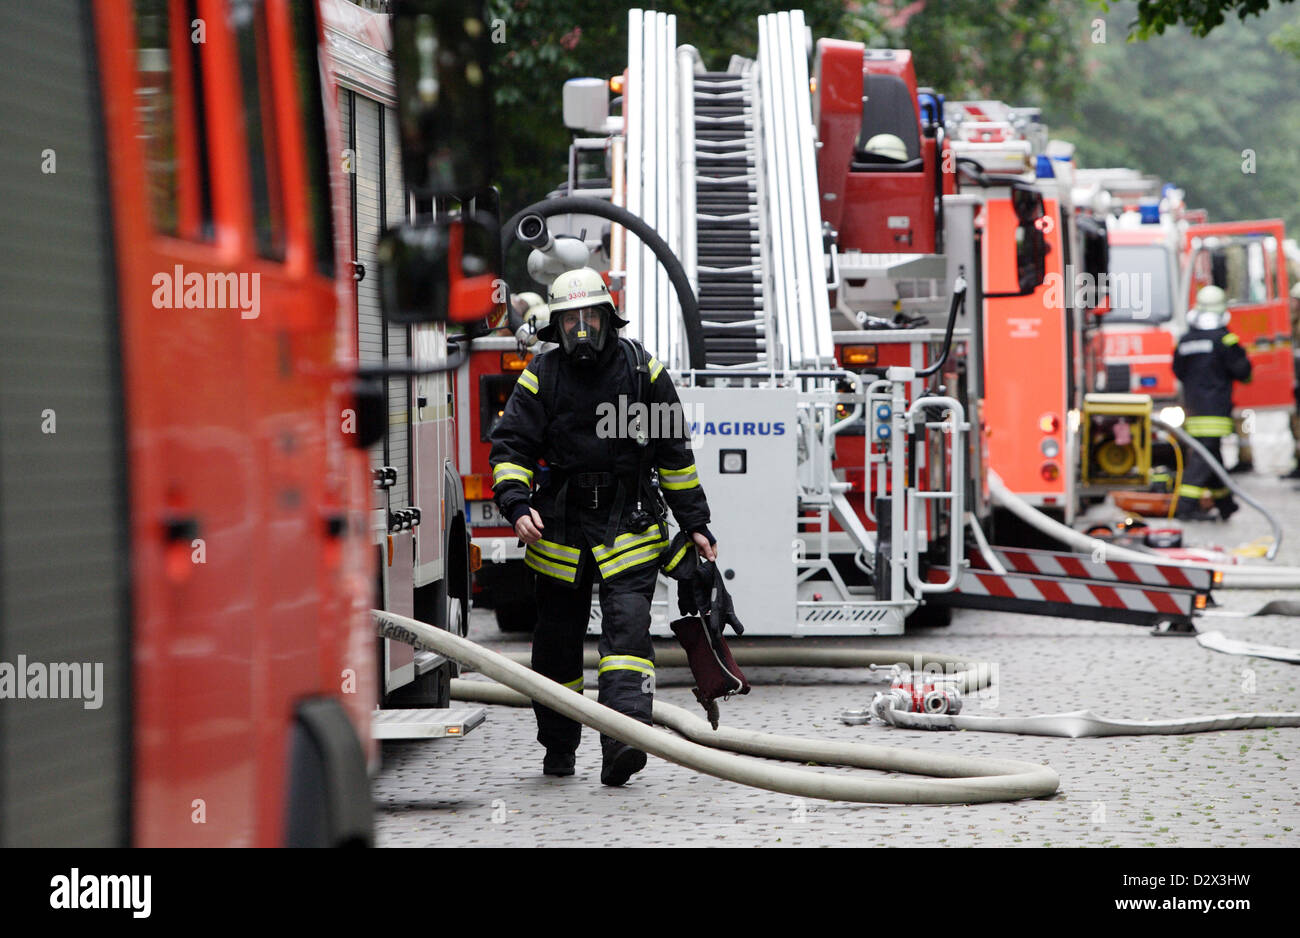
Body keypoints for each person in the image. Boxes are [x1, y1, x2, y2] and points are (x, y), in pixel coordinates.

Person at [488, 267, 717, 786]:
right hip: (560, 529)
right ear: (557, 325)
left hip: (628, 523)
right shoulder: (541, 376)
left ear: (608, 316)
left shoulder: (643, 372)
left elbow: (674, 457)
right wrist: (517, 504)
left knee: (628, 636)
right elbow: (512, 446)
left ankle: (623, 743)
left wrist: (696, 523)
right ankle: (559, 746)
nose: (582, 330)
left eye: (591, 316)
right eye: (571, 320)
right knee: (555, 647)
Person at [1172, 285, 1252, 520]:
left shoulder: (1185, 341)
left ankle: (1225, 504)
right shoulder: (1225, 341)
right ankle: (1185, 506)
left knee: (1211, 455)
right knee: (1204, 460)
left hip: (1193, 410)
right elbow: (1243, 372)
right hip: (1215, 412)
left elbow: (1177, 370)